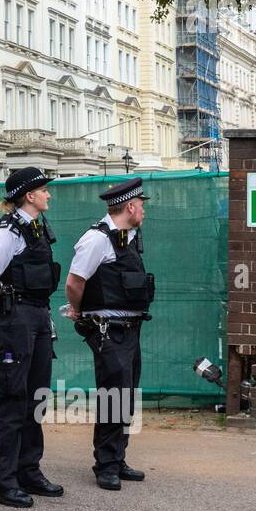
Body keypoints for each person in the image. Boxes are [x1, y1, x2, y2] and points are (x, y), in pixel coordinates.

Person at [0, 167, 64, 508]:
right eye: (44, 189)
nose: (49, 194)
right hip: (13, 319)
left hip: (37, 316)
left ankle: (28, 470)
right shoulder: (6, 233)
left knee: (35, 396)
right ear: (29, 195)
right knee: (11, 398)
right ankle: (1, 481)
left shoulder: (37, 229)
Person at [63, 177, 155, 491]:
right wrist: (77, 312)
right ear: (130, 206)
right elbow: (74, 283)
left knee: (126, 396)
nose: (144, 210)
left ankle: (117, 459)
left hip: (130, 330)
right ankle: (105, 465)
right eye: (141, 205)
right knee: (113, 396)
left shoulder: (127, 238)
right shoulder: (96, 239)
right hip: (108, 331)